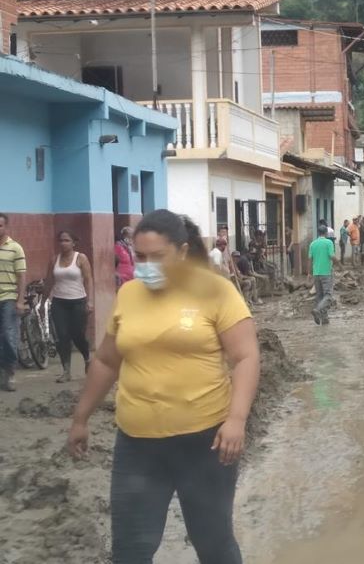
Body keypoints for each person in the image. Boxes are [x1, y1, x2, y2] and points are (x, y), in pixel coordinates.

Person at [67, 209, 259, 564]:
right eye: (140, 257)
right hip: (137, 445)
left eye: (157, 257)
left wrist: (237, 419)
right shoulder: (130, 295)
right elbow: (107, 361)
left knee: (214, 545)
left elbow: (246, 356)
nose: (146, 266)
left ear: (182, 252)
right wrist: (81, 418)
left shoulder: (216, 291)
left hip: (205, 443)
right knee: (130, 551)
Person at [44, 231, 94, 383]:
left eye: (66, 240)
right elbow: (49, 281)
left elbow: (88, 279)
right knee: (62, 336)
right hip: (59, 302)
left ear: (73, 243)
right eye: (61, 240)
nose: (63, 243)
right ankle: (66, 371)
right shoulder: (54, 260)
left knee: (77, 335)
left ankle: (87, 358)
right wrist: (43, 301)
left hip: (78, 301)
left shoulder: (81, 258)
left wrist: (90, 301)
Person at [0, 213, 27, 392]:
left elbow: (21, 275)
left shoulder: (15, 248)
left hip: (8, 297)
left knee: (7, 335)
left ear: (6, 227)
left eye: (0, 225)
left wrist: (20, 300)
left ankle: (9, 371)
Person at [308, 225, 335, 325]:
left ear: (318, 233)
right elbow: (331, 256)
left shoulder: (313, 244)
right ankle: (318, 310)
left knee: (320, 295)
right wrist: (339, 264)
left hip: (316, 273)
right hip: (326, 272)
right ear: (326, 233)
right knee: (328, 295)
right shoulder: (329, 242)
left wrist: (309, 273)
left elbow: (310, 259)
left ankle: (324, 319)